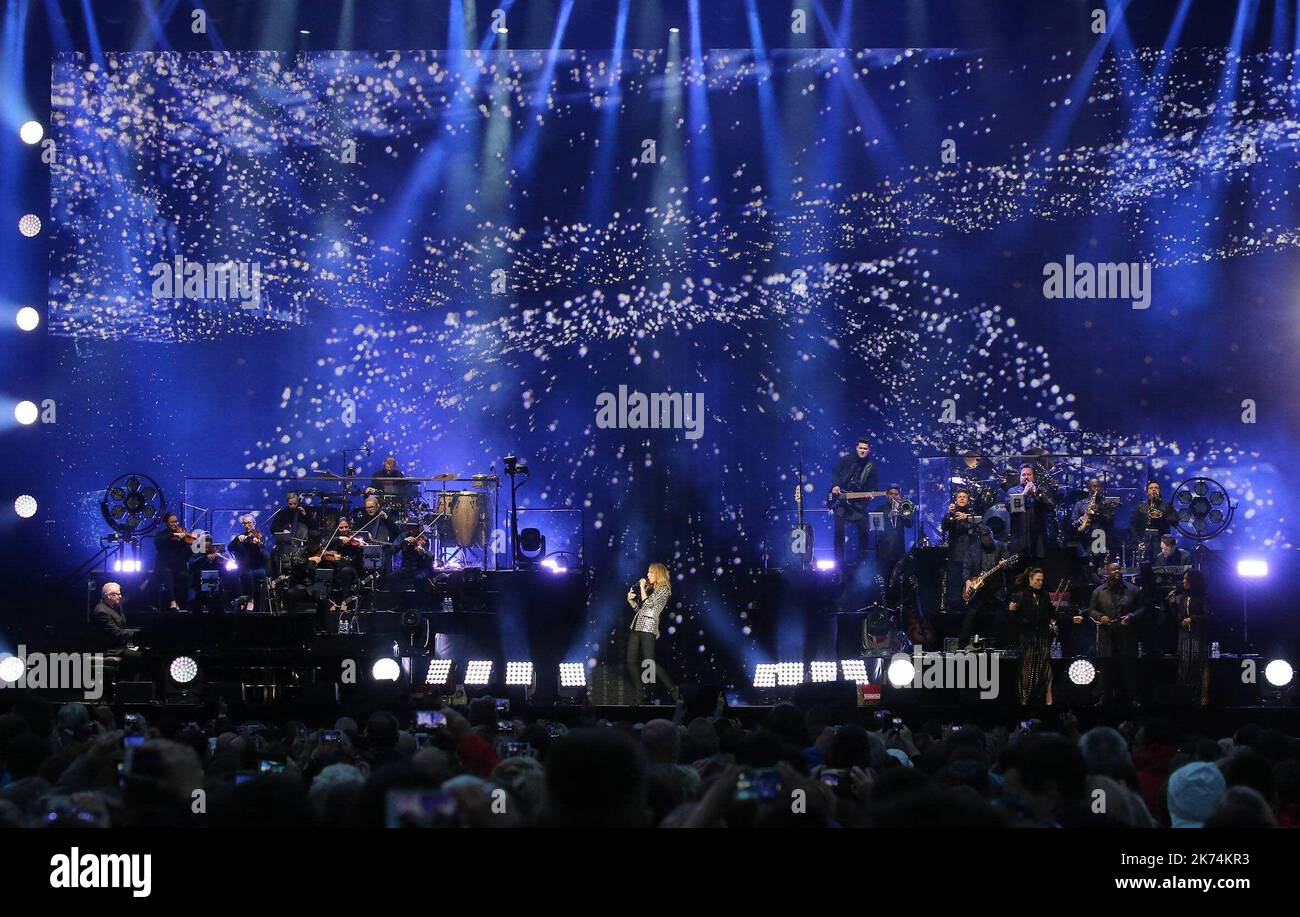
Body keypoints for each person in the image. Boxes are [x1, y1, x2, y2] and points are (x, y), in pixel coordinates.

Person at [1086, 562, 1142, 706]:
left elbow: (1143, 609)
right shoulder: (1099, 591)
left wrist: (1132, 616)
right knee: (1105, 669)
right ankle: (1103, 698)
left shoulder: (1133, 590)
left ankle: (1133, 699)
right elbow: (1090, 610)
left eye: (1118, 569)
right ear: (1107, 572)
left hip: (1126, 636)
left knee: (1129, 669)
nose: (1117, 571)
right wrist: (1100, 617)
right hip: (1107, 637)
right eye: (1113, 569)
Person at [625, 562, 680, 704]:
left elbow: (648, 604)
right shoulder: (650, 589)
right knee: (631, 660)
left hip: (649, 628)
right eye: (648, 572)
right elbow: (641, 610)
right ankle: (640, 693)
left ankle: (673, 690)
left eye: (651, 572)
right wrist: (631, 601)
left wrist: (642, 588)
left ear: (658, 574)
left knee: (649, 662)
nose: (648, 574)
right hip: (637, 626)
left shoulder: (664, 590)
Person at [1007, 566, 1056, 705]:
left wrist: (1071, 619)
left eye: (1042, 580)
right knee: (1027, 665)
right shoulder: (1020, 594)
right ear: (1030, 579)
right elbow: (1013, 618)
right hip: (1027, 635)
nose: (1040, 582)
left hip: (1042, 634)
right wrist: (1012, 612)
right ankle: (1024, 698)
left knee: (1046, 665)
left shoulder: (1045, 595)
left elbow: (1052, 614)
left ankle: (1048, 697)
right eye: (1037, 580)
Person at [829, 438, 879, 565]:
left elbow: (873, 485)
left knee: (864, 531)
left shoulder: (871, 466)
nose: (862, 451)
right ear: (857, 448)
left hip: (857, 504)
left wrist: (871, 493)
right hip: (840, 501)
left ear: (869, 450)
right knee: (839, 533)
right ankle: (838, 562)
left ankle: (863, 562)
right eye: (861, 448)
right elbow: (835, 472)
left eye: (865, 449)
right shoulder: (846, 459)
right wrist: (836, 485)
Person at [959, 526, 1008, 647]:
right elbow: (966, 567)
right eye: (984, 537)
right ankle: (962, 644)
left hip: (996, 588)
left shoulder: (1002, 547)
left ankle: (1000, 645)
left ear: (992, 534)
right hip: (979, 588)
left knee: (1001, 615)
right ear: (980, 538)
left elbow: (1008, 567)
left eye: (989, 535)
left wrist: (1005, 566)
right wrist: (967, 581)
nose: (988, 538)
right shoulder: (973, 549)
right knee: (971, 614)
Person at [1168, 569, 1211, 705]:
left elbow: (1207, 615)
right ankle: (1186, 694)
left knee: (1199, 663)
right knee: (1185, 662)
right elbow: (1177, 617)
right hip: (1184, 634)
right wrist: (1172, 603)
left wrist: (1192, 619)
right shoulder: (1183, 597)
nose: (1184, 581)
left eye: (1186, 579)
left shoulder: (1203, 597)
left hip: (1198, 634)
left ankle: (1203, 695)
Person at [1007, 465, 1056, 563]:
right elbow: (1010, 507)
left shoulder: (1041, 491)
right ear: (1020, 477)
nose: (1026, 477)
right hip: (1019, 539)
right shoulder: (1012, 491)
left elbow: (1050, 507)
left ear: (1033, 477)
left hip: (1038, 539)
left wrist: (1036, 493)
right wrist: (1024, 494)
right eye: (1023, 474)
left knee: (1038, 568)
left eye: (1029, 474)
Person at [941, 488, 979, 610]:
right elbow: (944, 527)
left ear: (968, 501)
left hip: (970, 554)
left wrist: (966, 517)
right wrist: (949, 514)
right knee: (954, 581)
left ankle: (969, 605)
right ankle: (953, 607)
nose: (962, 498)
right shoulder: (951, 514)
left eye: (964, 497)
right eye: (959, 497)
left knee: (969, 581)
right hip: (955, 554)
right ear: (956, 500)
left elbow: (977, 528)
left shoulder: (973, 514)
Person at [152, 513, 194, 611]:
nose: (175, 524)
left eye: (176, 521)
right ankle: (172, 601)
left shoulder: (182, 534)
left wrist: (184, 540)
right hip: (164, 565)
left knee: (186, 576)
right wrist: (173, 537)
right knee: (167, 574)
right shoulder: (161, 535)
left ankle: (184, 603)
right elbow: (159, 544)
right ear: (166, 523)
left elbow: (188, 551)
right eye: (172, 522)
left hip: (178, 566)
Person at [228, 515, 268, 612]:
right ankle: (237, 603)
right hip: (244, 567)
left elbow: (263, 550)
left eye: (249, 523)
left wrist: (257, 543)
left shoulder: (259, 536)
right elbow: (230, 548)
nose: (247, 525)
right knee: (231, 574)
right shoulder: (241, 537)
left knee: (247, 575)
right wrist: (237, 539)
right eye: (245, 523)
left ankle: (248, 600)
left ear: (254, 523)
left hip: (257, 567)